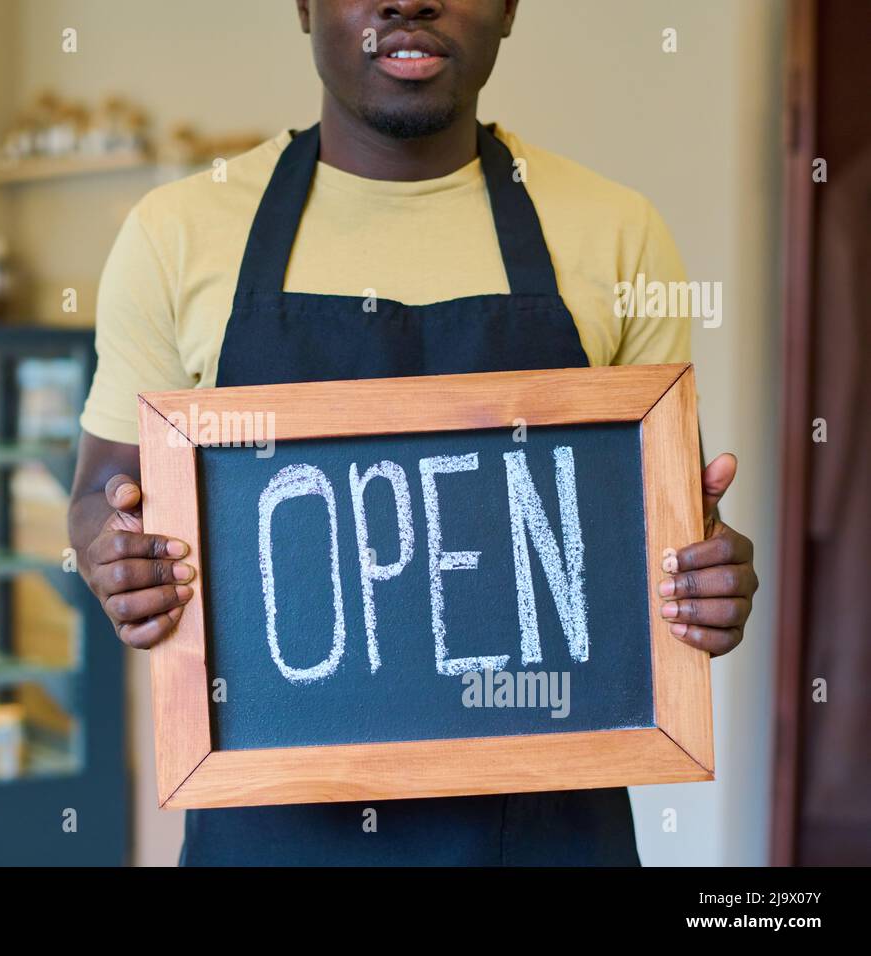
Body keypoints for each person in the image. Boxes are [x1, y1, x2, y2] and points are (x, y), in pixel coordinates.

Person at [67, 0, 758, 865]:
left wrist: (703, 575)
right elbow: (102, 492)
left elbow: (658, 527)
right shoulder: (177, 233)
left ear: (508, 9)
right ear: (306, 7)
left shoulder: (618, 233)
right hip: (266, 821)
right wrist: (115, 550)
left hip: (548, 830)